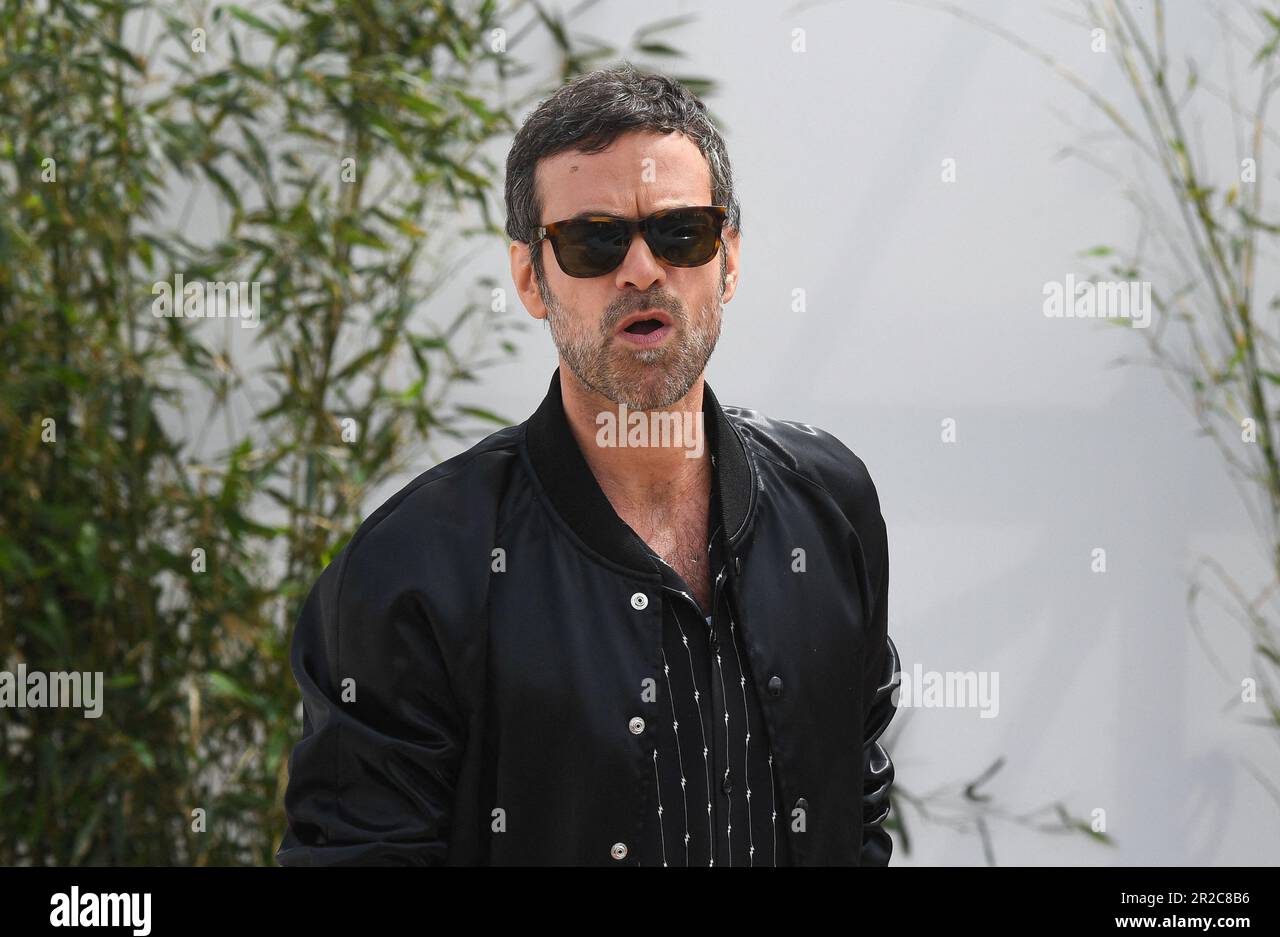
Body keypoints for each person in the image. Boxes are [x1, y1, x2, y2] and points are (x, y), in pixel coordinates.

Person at [277, 63, 899, 866]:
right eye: (594, 241)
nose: (642, 270)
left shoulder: (831, 508)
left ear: (730, 259)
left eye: (682, 232)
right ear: (531, 278)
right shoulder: (414, 570)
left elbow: (856, 810)